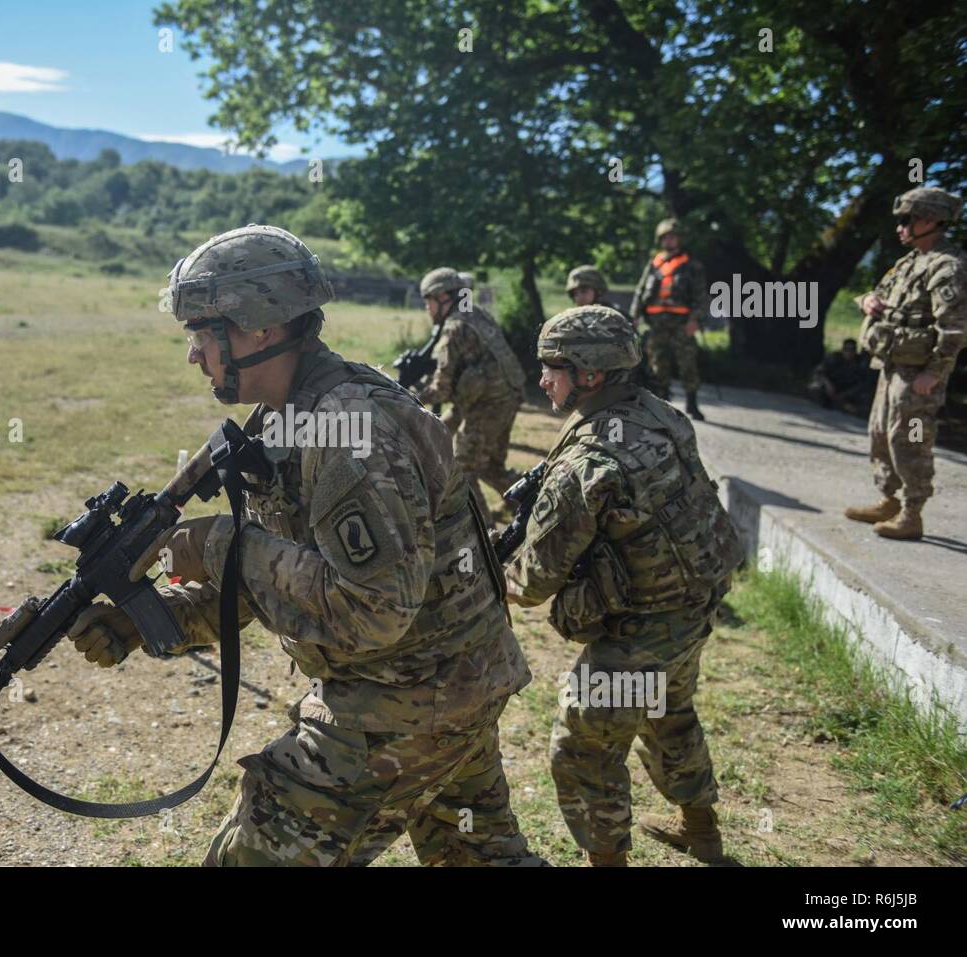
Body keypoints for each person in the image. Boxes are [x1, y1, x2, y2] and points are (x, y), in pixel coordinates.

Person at [70, 225, 544, 866]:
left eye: (201, 334)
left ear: (258, 328)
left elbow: (373, 609)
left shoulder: (349, 431)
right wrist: (146, 622)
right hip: (445, 684)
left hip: (402, 702)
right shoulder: (294, 414)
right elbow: (287, 576)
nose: (193, 356)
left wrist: (221, 544)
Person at [504, 305, 743, 866]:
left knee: (583, 749)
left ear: (590, 375)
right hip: (696, 605)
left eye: (552, 367)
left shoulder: (587, 462)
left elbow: (534, 582)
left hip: (645, 627)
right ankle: (703, 836)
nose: (542, 380)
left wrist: (490, 574)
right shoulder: (660, 414)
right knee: (669, 715)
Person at [844, 187, 966, 541]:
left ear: (929, 220)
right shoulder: (909, 262)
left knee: (910, 438)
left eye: (906, 220)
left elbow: (955, 329)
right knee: (880, 434)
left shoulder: (949, 267)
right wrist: (867, 300)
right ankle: (888, 500)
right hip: (891, 365)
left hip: (918, 376)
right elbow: (874, 293)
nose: (899, 228)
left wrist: (934, 372)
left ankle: (912, 514)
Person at [414, 267, 526, 523]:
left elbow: (441, 389)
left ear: (443, 298)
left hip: (487, 406)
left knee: (463, 470)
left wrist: (412, 395)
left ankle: (485, 534)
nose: (427, 309)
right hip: (506, 397)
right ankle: (535, 500)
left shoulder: (453, 328)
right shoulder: (477, 314)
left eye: (428, 301)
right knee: (489, 466)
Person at [630, 219, 708, 420]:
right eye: (665, 237)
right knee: (657, 363)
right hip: (656, 323)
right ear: (660, 239)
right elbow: (640, 291)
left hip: (681, 322)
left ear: (679, 239)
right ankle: (661, 404)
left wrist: (695, 320)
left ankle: (692, 403)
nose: (669, 240)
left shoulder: (691, 265)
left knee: (687, 361)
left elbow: (701, 296)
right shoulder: (654, 264)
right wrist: (635, 316)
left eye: (672, 236)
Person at [807, 338, 874, 413]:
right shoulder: (834, 358)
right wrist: (828, 385)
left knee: (864, 398)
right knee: (815, 388)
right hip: (831, 388)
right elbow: (819, 372)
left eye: (852, 350)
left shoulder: (859, 363)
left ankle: (843, 405)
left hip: (847, 392)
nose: (849, 352)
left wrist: (845, 394)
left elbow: (862, 383)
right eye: (846, 349)